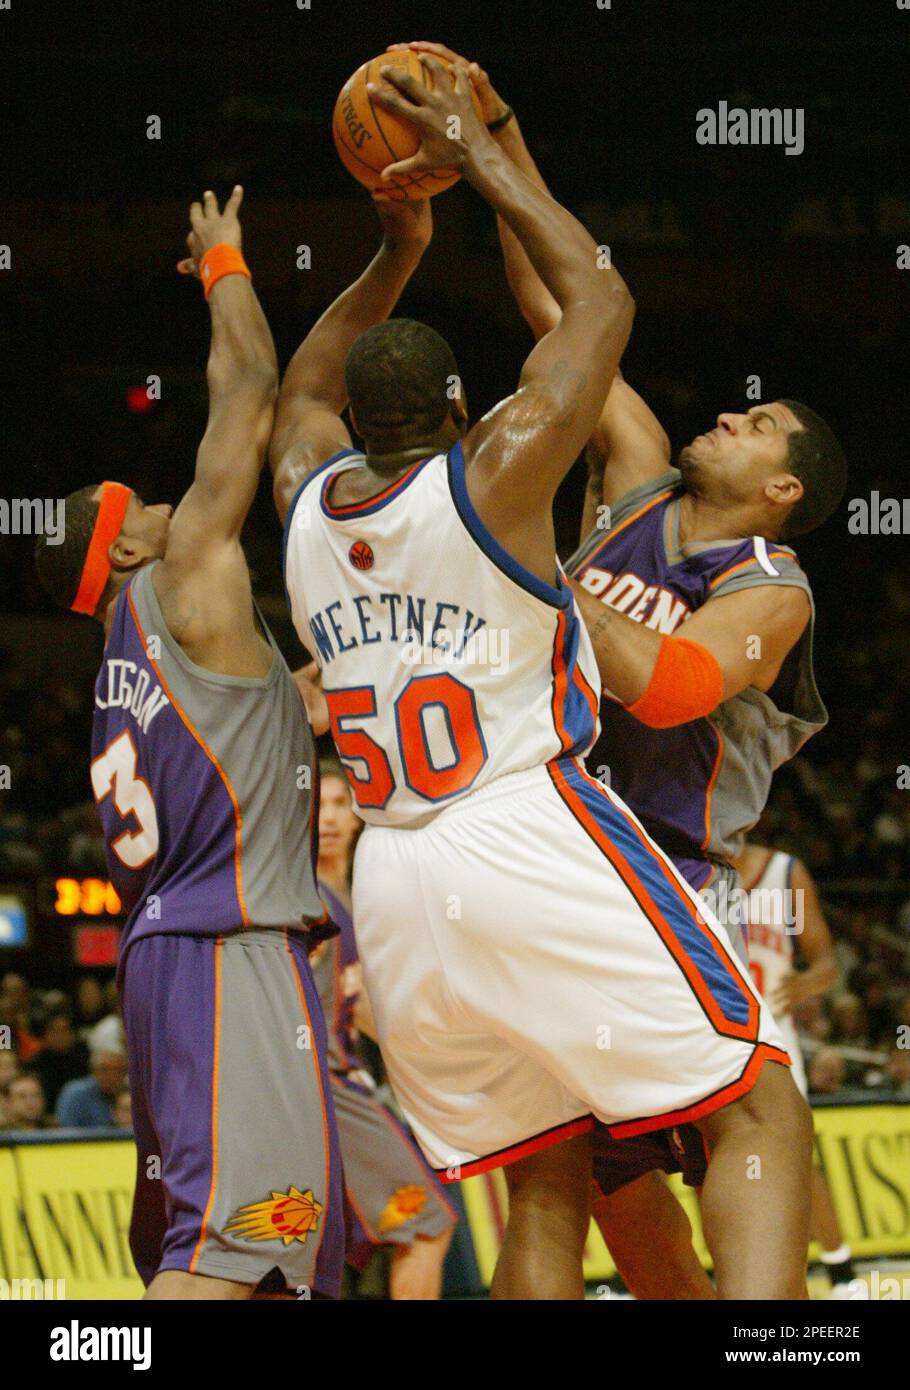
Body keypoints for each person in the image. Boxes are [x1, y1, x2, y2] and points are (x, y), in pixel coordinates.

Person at [272, 55, 810, 1300]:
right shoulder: (533, 472)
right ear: (473, 409)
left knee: (550, 1178)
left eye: (760, 424)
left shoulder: (306, 498)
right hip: (538, 832)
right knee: (751, 1106)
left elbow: (302, 386)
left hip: (406, 878)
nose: (731, 421)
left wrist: (404, 233)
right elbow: (583, 312)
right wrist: (490, 146)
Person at [34, 187, 342, 1301]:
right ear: (121, 551)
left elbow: (233, 740)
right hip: (230, 957)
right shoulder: (186, 574)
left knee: (231, 1258)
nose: (165, 500)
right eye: (140, 503)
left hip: (166, 966)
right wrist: (224, 262)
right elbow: (251, 386)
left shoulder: (129, 659)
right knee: (235, 1254)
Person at [315, 759, 457, 1299]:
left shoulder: (355, 897)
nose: (326, 818)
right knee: (424, 1223)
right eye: (315, 805)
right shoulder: (307, 898)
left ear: (356, 815)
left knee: (287, 1253)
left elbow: (363, 1011)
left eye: (336, 804)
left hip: (322, 1088)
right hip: (325, 1086)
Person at [737, 843, 856, 1295]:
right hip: (710, 1036)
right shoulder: (684, 866)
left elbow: (826, 963)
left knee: (796, 1159)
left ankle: (841, 1271)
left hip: (774, 1037)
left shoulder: (784, 871)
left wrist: (806, 982)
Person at [29, 1006, 90, 1110]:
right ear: (45, 1034)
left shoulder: (85, 1062)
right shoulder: (35, 1065)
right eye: (55, 1031)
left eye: (64, 1031)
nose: (60, 1036)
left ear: (73, 1035)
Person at [56, 1046, 127, 1128]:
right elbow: (67, 1131)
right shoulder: (75, 1094)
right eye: (105, 1069)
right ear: (93, 1070)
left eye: (118, 1070)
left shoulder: (131, 1094)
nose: (111, 1076)